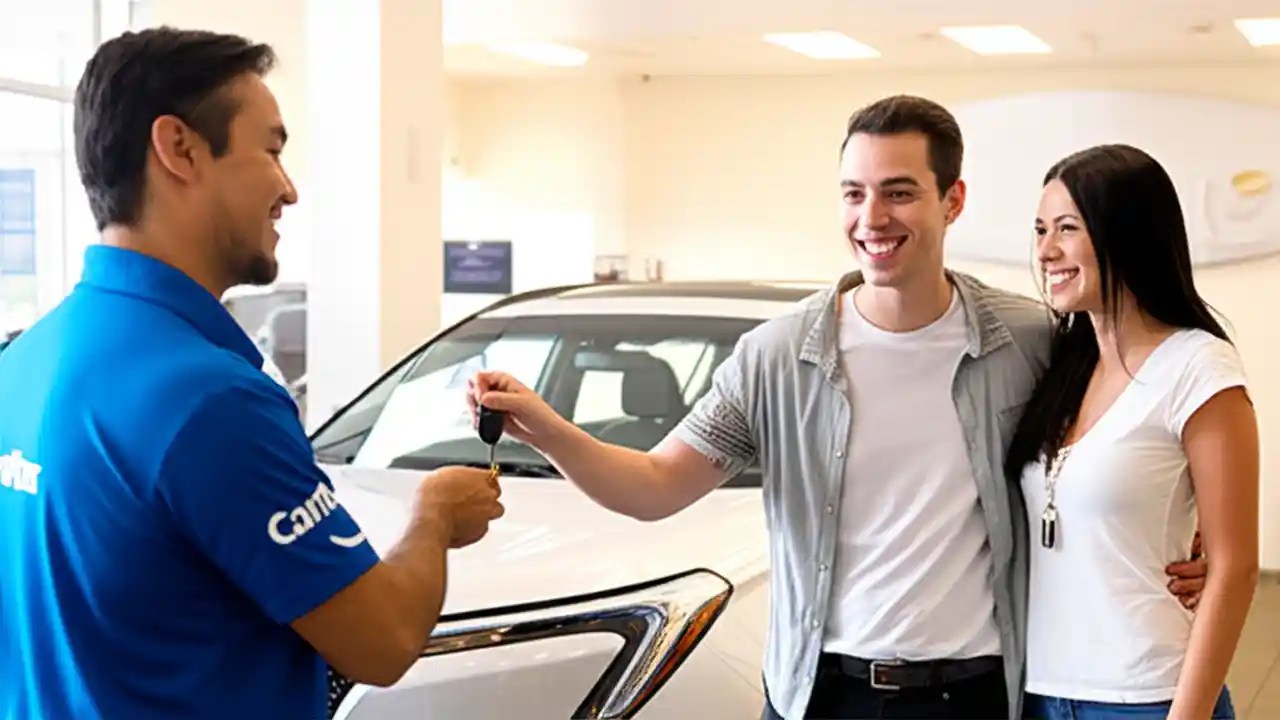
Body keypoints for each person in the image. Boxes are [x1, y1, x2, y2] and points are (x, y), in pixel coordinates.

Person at [466, 95, 1208, 719]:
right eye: (854, 192)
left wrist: (1189, 533)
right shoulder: (776, 358)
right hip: (821, 695)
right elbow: (654, 485)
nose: (872, 217)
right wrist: (546, 425)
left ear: (953, 200)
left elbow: (1126, 434)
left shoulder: (1028, 338)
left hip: (977, 694)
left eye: (899, 191)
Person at [0, 27, 503, 720]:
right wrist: (436, 518)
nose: (289, 190)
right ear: (179, 149)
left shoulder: (25, 361)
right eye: (270, 149)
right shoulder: (207, 399)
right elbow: (382, 642)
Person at [1006, 144, 1259, 720]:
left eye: (1067, 228)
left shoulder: (1199, 367)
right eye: (1041, 229)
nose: (1046, 251)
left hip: (1147, 697)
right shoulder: (1063, 367)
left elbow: (1235, 565)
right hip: (1042, 694)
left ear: (1127, 234)